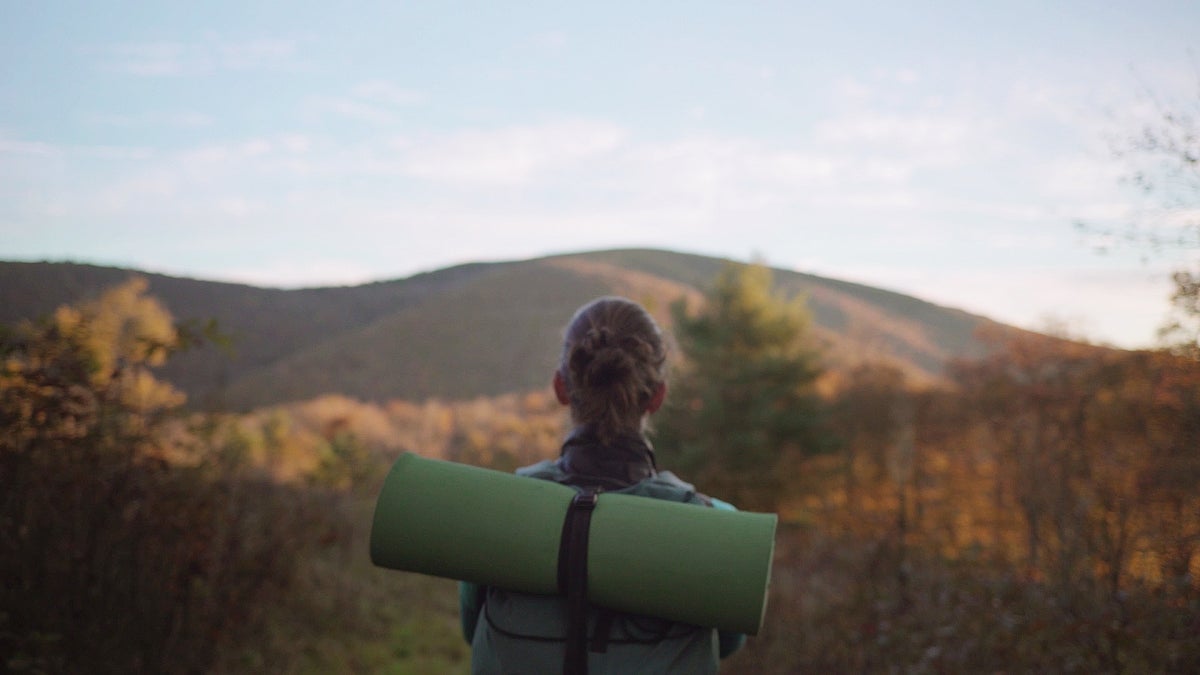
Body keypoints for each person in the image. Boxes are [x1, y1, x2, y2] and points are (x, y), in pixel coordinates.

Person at [459, 296, 746, 674]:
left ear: (561, 388)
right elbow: (729, 642)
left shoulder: (500, 509)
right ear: (657, 397)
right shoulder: (716, 524)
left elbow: (472, 627)